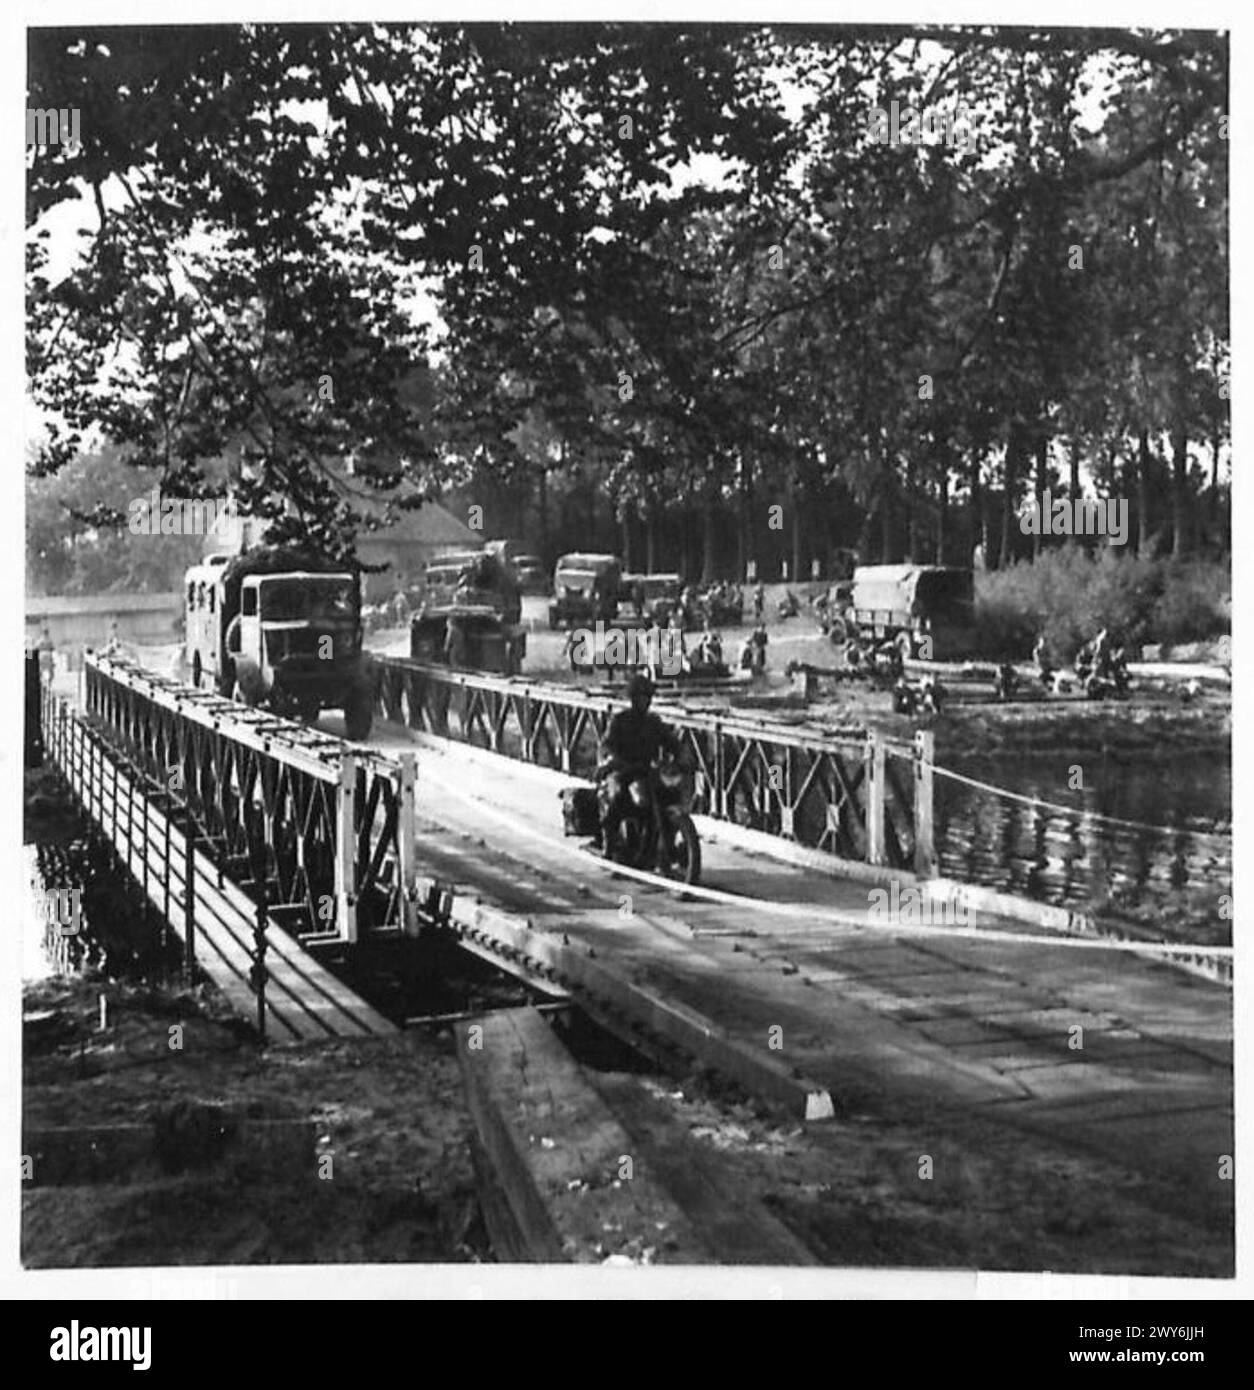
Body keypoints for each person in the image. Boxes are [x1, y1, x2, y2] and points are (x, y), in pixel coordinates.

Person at [595, 673, 680, 861]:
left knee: (669, 794)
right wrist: (612, 759)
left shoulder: (653, 722)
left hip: (646, 771)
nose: (645, 701)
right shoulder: (620, 720)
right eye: (641, 696)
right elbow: (606, 745)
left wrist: (682, 757)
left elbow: (672, 742)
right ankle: (609, 841)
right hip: (623, 770)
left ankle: (666, 840)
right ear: (633, 698)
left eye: (647, 697)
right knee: (618, 797)